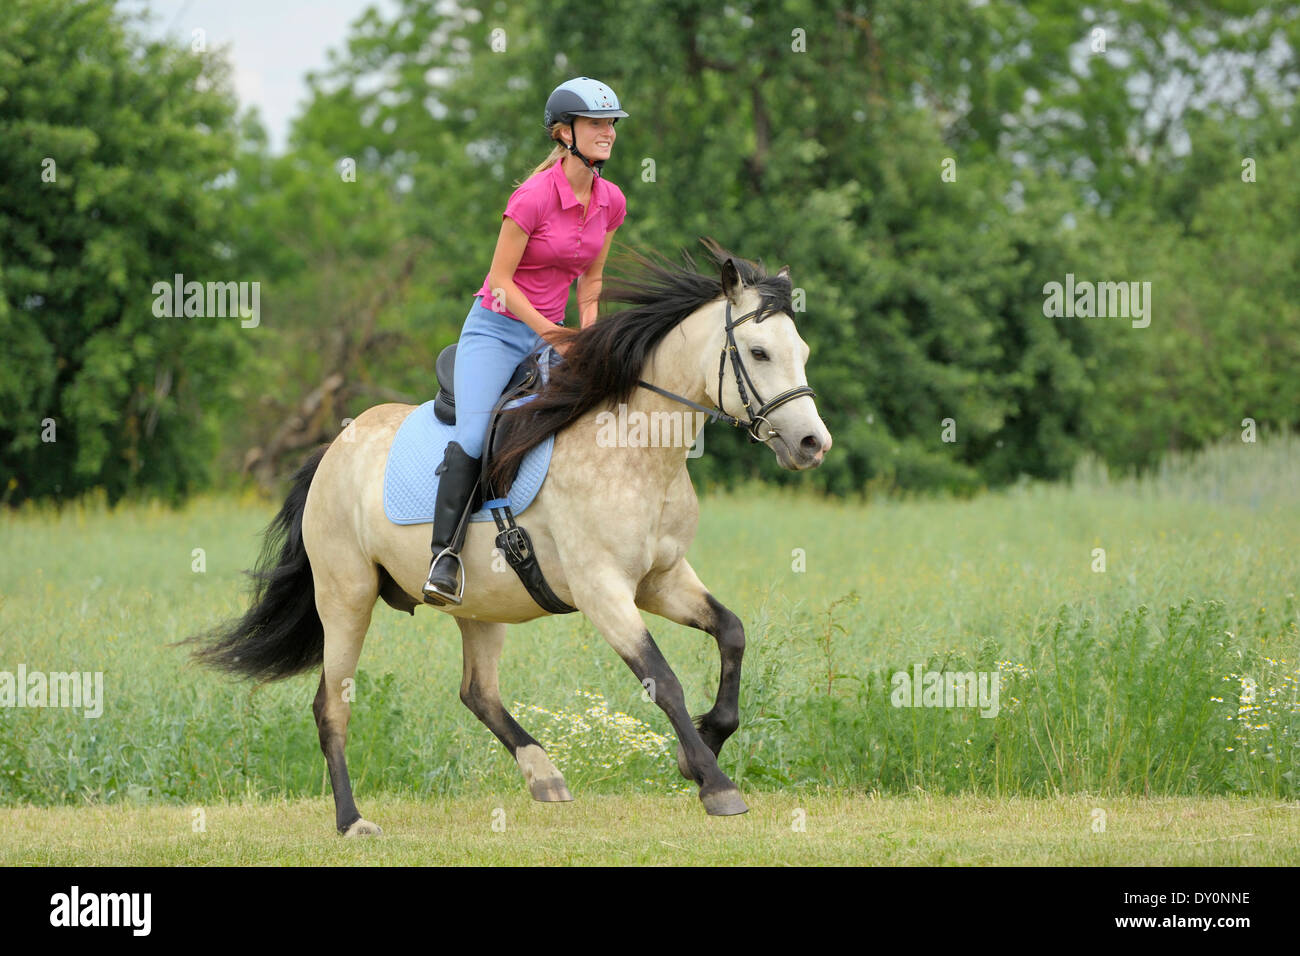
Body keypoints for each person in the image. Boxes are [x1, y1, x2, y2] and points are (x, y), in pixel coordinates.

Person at [422, 76, 628, 606]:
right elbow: (499, 282)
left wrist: (589, 339)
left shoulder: (611, 201)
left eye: (611, 123)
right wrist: (554, 336)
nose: (608, 132)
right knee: (473, 436)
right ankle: (443, 557)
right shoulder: (533, 196)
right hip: (496, 329)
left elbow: (591, 282)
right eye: (596, 124)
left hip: (553, 336)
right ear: (564, 133)